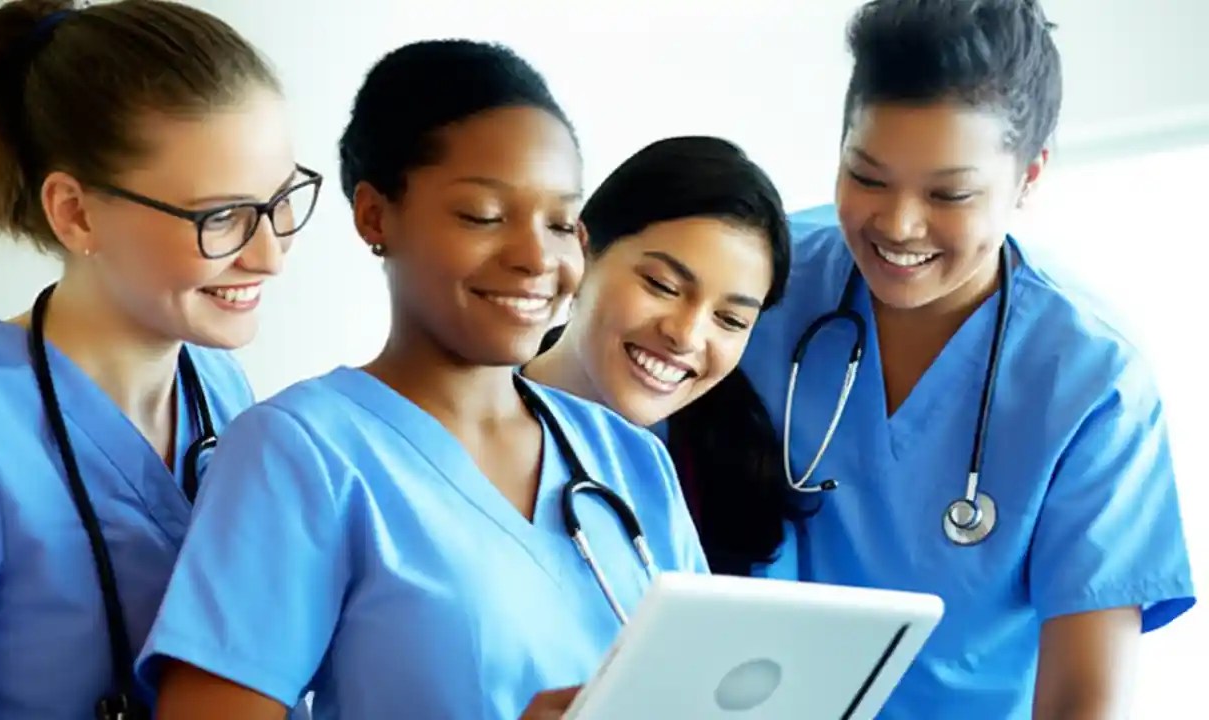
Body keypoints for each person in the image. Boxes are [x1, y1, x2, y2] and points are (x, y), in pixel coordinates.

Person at [135, 39, 707, 720]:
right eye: (484, 216)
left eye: (560, 223)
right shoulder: (299, 453)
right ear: (376, 215)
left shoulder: (628, 459)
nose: (535, 257)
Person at [736, 1, 1196, 718]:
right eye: (868, 176)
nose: (897, 225)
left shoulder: (1090, 380)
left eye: (950, 193)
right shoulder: (762, 283)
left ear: (1030, 175)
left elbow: (1085, 697)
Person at [0, 2, 320, 718]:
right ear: (76, 213)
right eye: (220, 217)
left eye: (281, 200)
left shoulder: (219, 390)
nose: (270, 255)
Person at [523, 135, 812, 577]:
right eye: (663, 286)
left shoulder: (737, 471)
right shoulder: (454, 428)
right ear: (580, 251)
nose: (686, 335)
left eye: (731, 320)